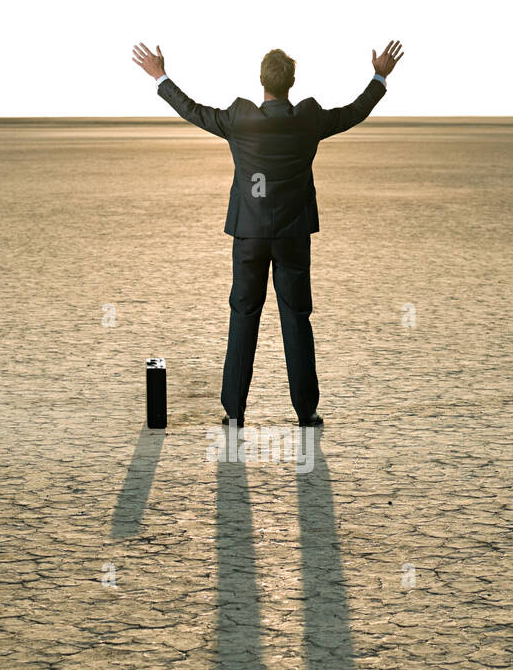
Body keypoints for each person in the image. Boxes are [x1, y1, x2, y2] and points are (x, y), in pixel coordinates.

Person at [133, 40, 404, 426]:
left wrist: (160, 76)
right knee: (296, 318)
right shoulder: (308, 119)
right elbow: (355, 112)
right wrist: (379, 75)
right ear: (292, 82)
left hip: (249, 235)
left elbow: (192, 111)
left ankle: (234, 412)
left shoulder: (239, 119)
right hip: (292, 235)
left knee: (243, 316)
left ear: (262, 81)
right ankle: (306, 411)